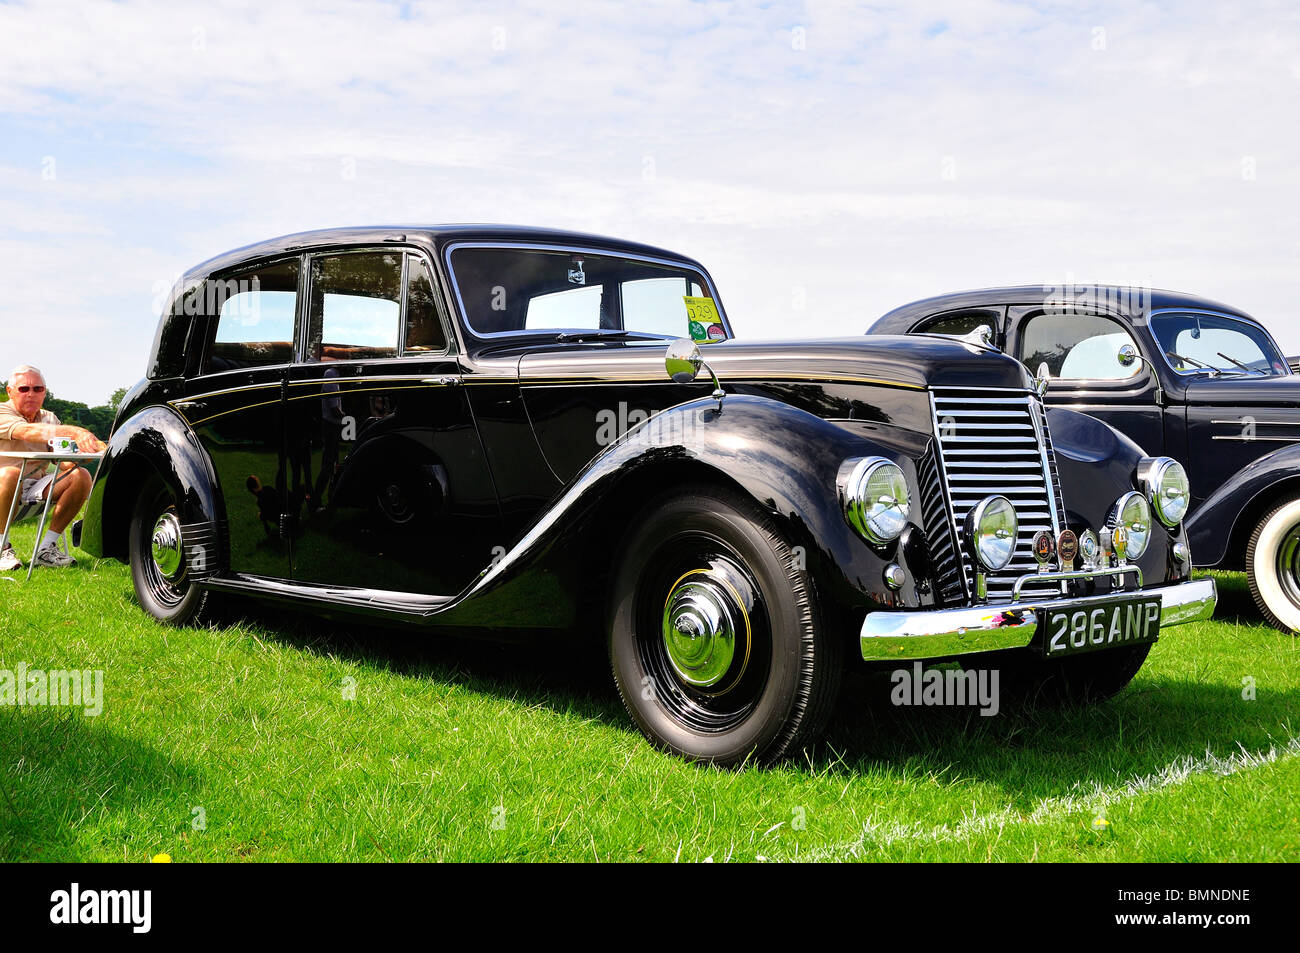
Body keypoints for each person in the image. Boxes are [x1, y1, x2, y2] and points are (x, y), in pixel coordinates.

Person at [0, 365, 106, 570]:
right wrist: (75, 432)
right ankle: (2, 548)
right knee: (11, 473)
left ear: (44, 393)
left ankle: (46, 549)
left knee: (80, 476)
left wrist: (84, 454)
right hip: (4, 484)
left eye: (38, 389)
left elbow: (62, 462)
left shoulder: (49, 418)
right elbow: (27, 432)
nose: (31, 394)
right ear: (10, 391)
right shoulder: (2, 412)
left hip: (34, 486)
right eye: (24, 389)